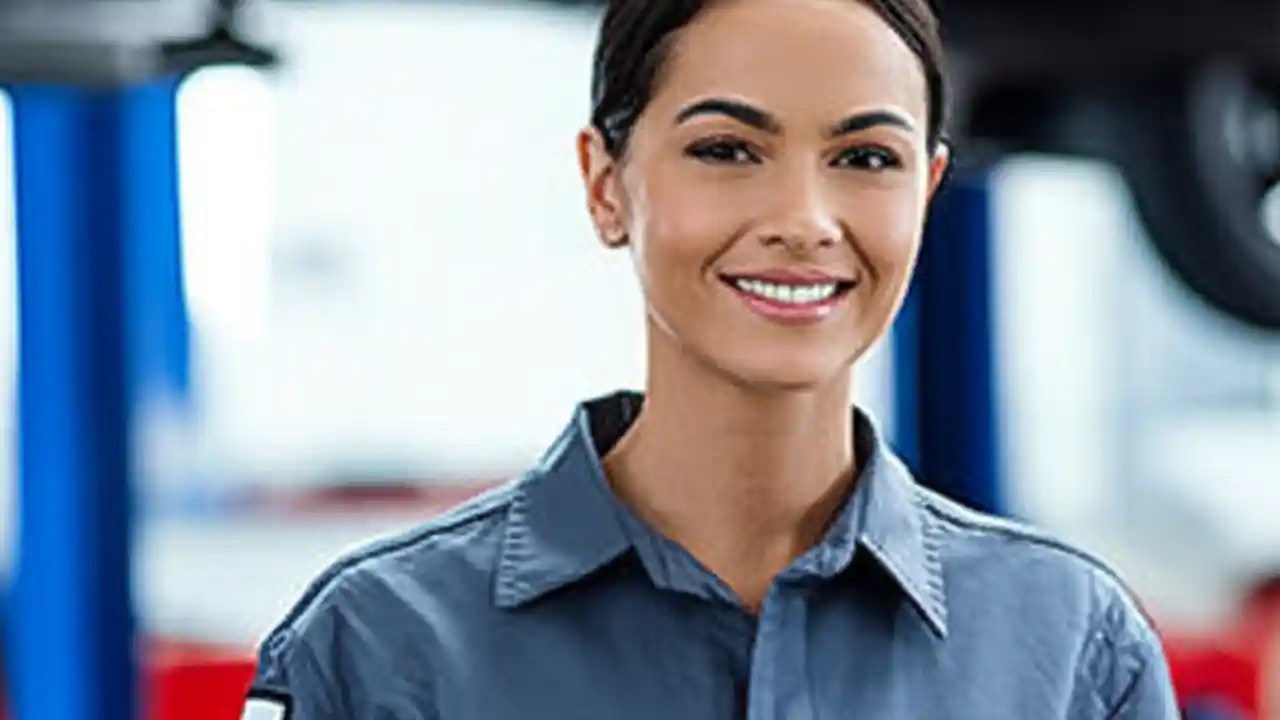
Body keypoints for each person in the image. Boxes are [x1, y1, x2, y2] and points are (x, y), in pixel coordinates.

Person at [243, 0, 1179, 717]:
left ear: (928, 192)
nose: (804, 222)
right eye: (727, 149)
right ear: (605, 185)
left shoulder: (1070, 651)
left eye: (864, 159)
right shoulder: (380, 647)